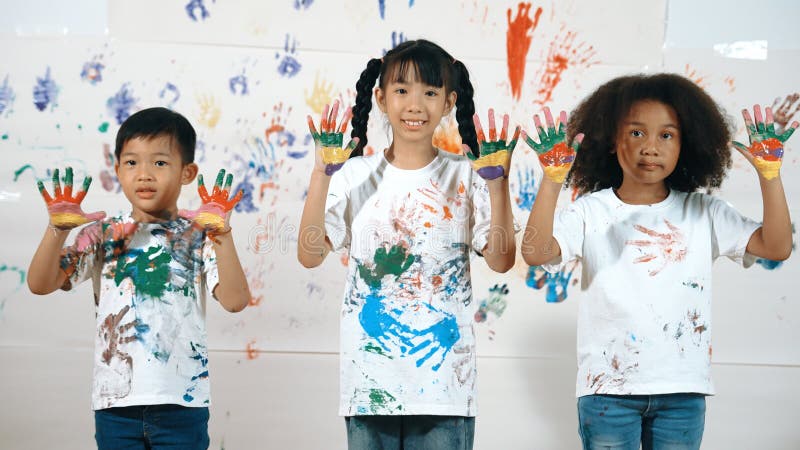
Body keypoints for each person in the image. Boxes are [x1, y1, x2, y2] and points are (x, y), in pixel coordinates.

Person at [520, 73, 796, 449]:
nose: (650, 146)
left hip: (682, 391)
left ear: (687, 144)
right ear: (612, 139)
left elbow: (777, 246)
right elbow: (536, 252)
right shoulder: (591, 211)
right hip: (607, 391)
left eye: (666, 135)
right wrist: (552, 181)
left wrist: (770, 176)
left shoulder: (704, 212)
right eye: (636, 133)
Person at [297, 39, 517, 450]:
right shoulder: (352, 174)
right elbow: (310, 255)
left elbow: (502, 261)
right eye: (402, 91)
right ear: (380, 98)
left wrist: (498, 186)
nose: (415, 105)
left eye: (430, 93)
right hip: (369, 384)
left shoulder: (469, 175)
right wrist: (320, 174)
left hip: (444, 388)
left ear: (449, 102)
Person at [27, 107, 252, 449]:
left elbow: (235, 301)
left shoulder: (198, 235)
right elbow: (41, 284)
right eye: (132, 162)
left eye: (160, 162)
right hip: (115, 406)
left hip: (182, 403)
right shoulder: (102, 234)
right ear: (117, 169)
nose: (144, 174)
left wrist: (223, 237)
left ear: (187, 172)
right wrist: (56, 231)